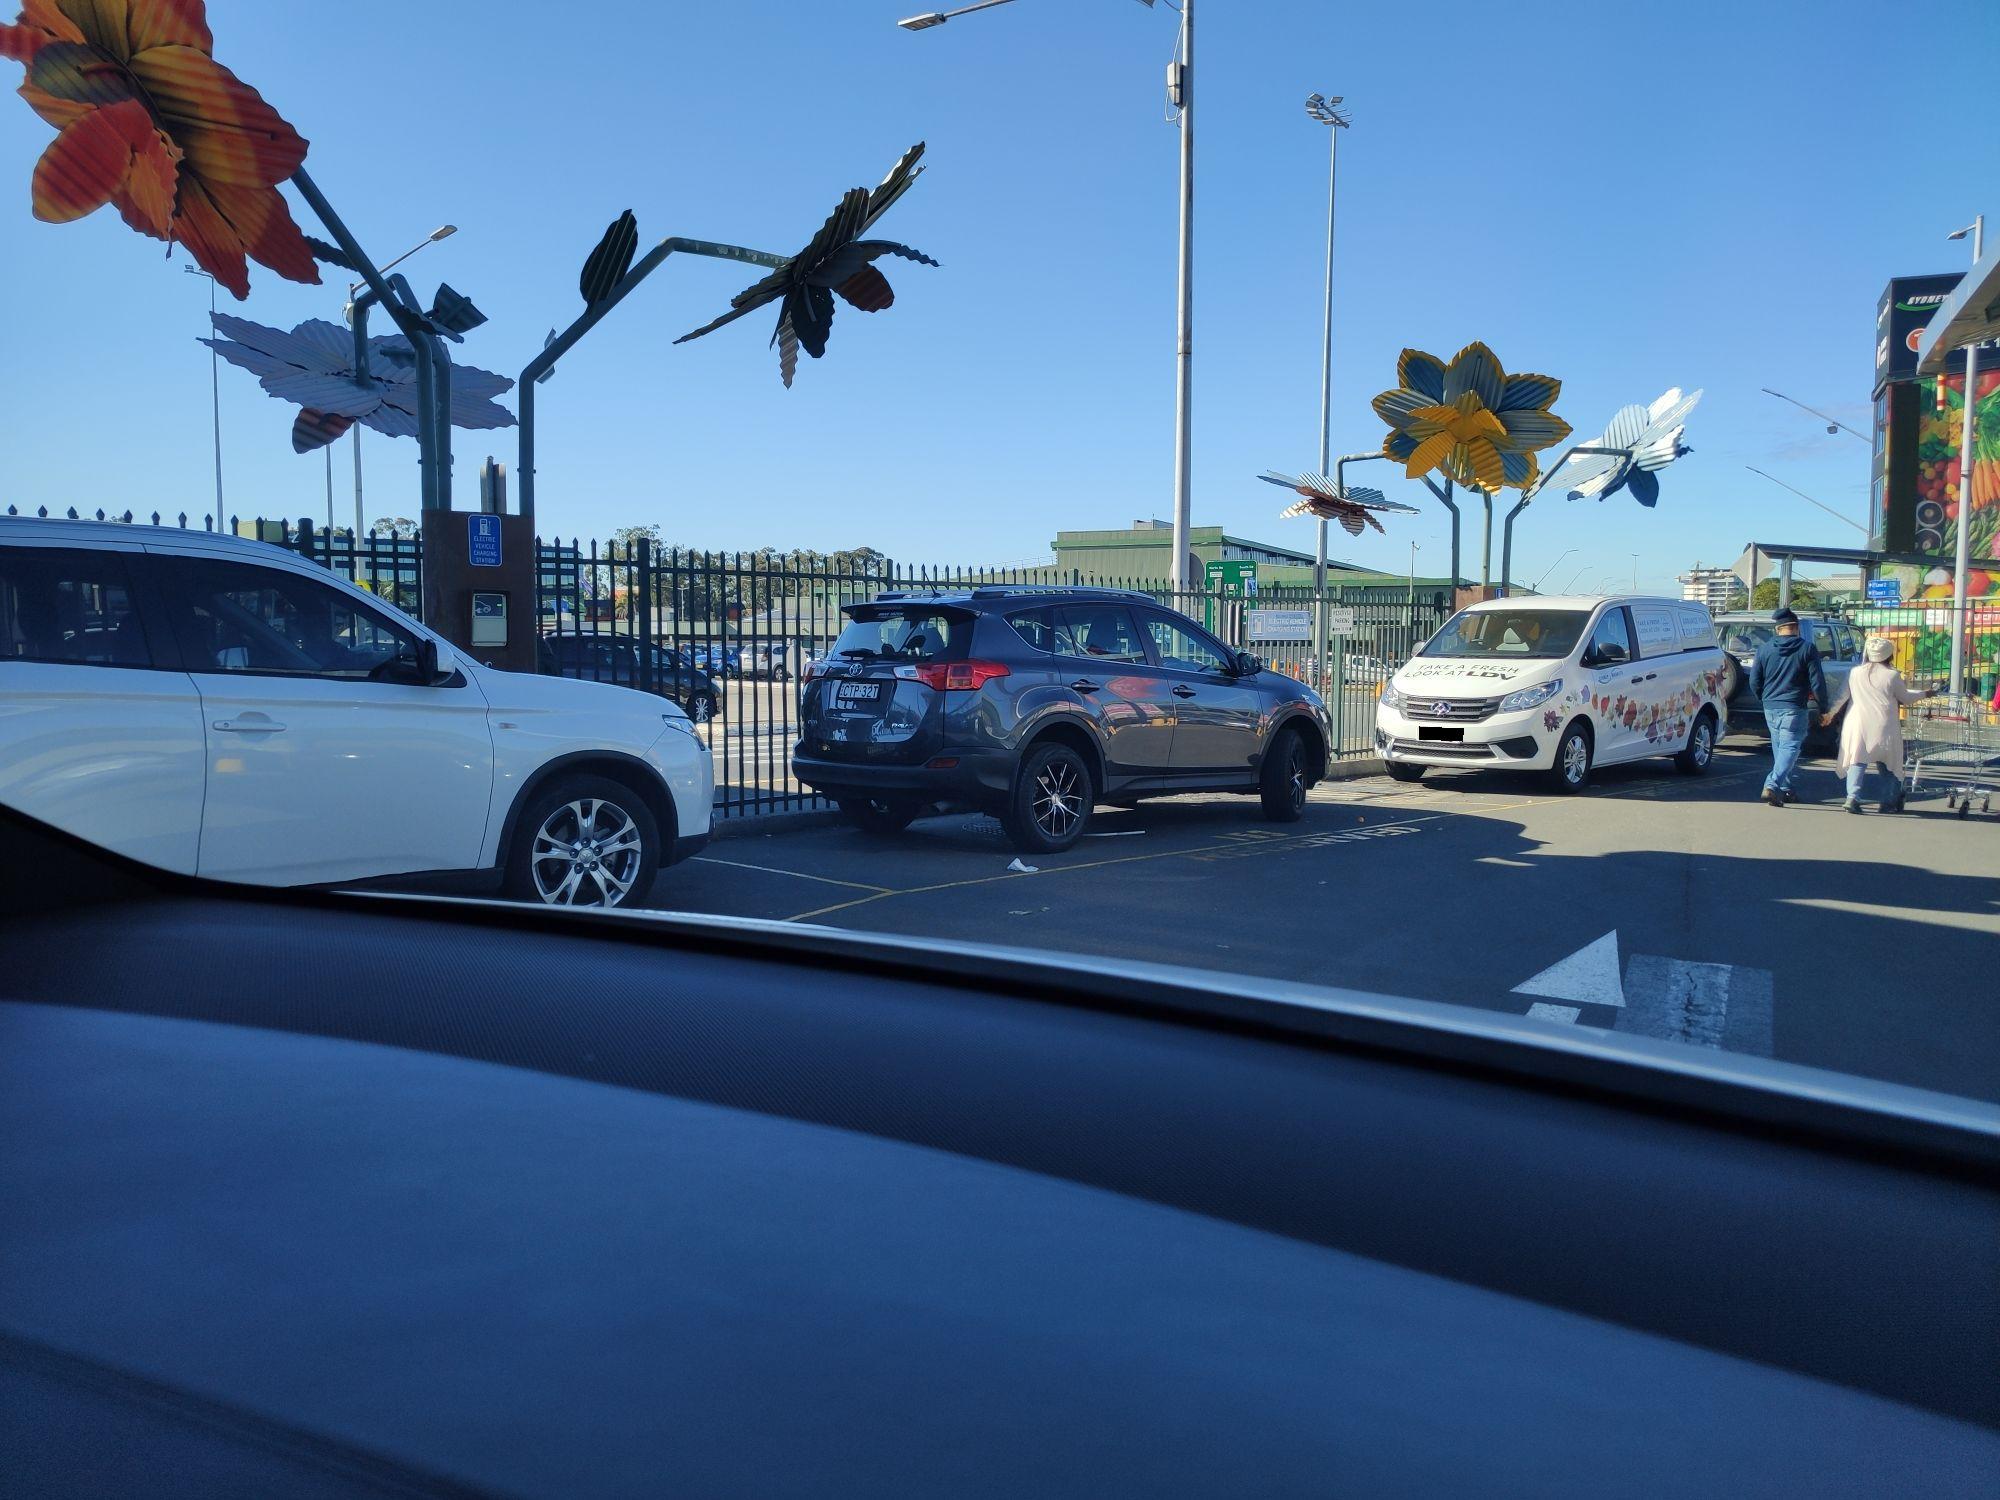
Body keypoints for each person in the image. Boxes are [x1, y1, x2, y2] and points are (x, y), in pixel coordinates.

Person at [1825, 637, 1928, 814]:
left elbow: (1841, 696)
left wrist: (1829, 714)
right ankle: (1888, 802)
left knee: (1857, 759)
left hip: (1857, 723)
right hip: (1884, 724)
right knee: (1889, 763)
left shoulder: (1855, 672)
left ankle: (1852, 797)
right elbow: (1906, 697)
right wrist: (1926, 693)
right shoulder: (1892, 675)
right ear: (1889, 655)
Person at [1747, 607, 1828, 808]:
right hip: (1794, 705)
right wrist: (1823, 706)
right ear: (1796, 628)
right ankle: (1772, 785)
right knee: (1791, 747)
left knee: (1780, 748)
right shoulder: (1807, 649)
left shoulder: (1764, 649)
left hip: (1770, 706)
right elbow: (1817, 682)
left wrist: (1763, 697)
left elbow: (1754, 680)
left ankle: (1785, 789)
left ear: (1778, 629)